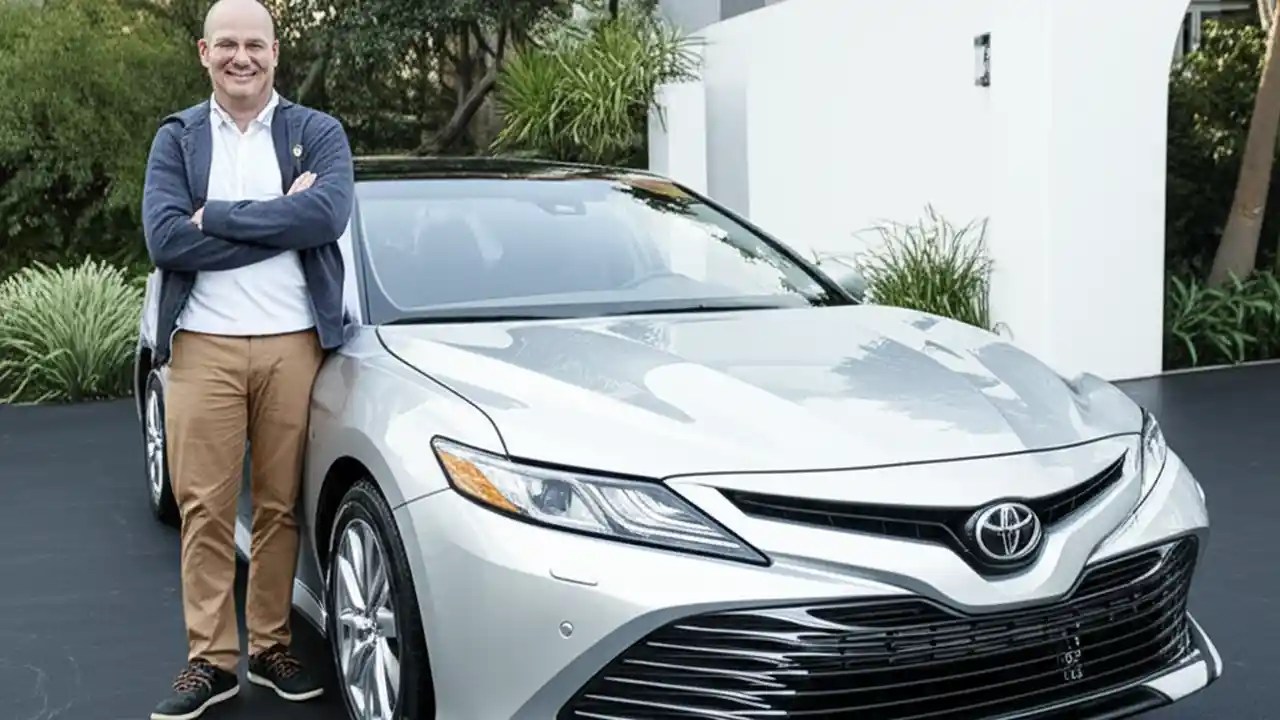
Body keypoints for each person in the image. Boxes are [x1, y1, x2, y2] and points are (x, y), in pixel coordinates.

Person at [139, 0, 354, 717]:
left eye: (253, 44)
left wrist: (222, 217)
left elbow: (326, 216)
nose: (241, 57)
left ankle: (269, 646)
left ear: (274, 52)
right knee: (203, 507)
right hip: (203, 346)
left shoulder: (316, 132)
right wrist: (278, 217)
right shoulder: (177, 140)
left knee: (279, 505)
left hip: (296, 344)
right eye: (226, 44)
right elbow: (168, 240)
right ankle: (211, 661)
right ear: (204, 52)